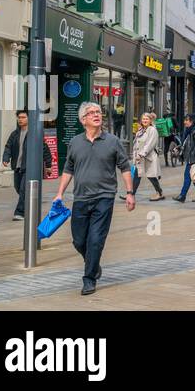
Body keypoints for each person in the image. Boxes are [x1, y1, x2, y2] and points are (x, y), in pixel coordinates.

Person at [53, 101, 135, 295]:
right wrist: (59, 194)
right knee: (79, 240)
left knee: (96, 239)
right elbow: (68, 169)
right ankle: (94, 265)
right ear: (83, 120)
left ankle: (89, 279)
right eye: (91, 113)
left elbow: (124, 167)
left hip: (104, 197)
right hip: (80, 197)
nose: (97, 115)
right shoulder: (75, 142)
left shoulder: (113, 141)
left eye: (98, 112)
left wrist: (130, 192)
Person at [1, 109, 53, 220]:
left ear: (29, 119)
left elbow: (45, 149)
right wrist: (6, 158)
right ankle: (29, 206)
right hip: (17, 166)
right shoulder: (14, 134)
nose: (20, 120)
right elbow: (8, 146)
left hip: (29, 167)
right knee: (18, 188)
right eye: (19, 117)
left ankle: (19, 213)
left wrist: (48, 165)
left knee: (24, 190)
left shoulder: (34, 133)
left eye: (23, 117)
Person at [131, 112, 165, 201]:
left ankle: (160, 193)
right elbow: (136, 144)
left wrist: (142, 154)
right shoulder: (140, 130)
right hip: (140, 157)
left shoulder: (152, 130)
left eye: (146, 119)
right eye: (143, 119)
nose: (144, 120)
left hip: (149, 157)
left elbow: (150, 144)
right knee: (137, 175)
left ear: (150, 120)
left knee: (151, 176)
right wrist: (135, 155)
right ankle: (131, 194)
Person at [174, 115, 195, 203]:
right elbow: (186, 143)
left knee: (188, 177)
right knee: (194, 176)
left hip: (194, 158)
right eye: (185, 120)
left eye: (187, 120)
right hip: (190, 157)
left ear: (192, 121)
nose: (185, 122)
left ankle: (182, 195)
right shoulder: (189, 130)